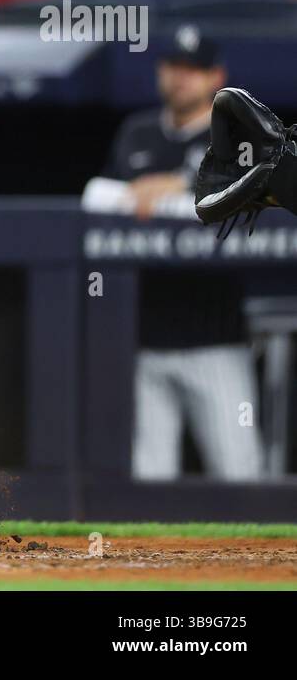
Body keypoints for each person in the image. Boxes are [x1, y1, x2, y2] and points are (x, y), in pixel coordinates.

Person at [81, 27, 262, 481]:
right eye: (174, 68)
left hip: (215, 338)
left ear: (215, 77)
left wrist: (176, 188)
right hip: (142, 337)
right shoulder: (137, 131)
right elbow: (96, 197)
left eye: (194, 70)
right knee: (148, 480)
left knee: (239, 475)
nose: (181, 79)